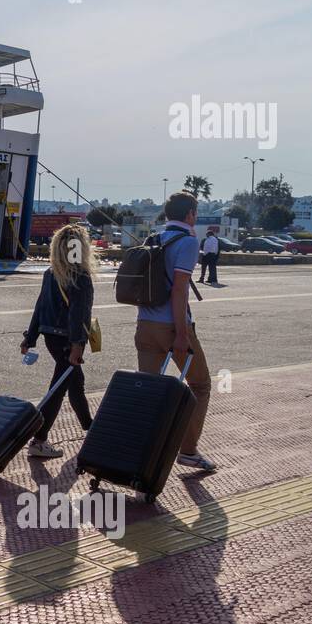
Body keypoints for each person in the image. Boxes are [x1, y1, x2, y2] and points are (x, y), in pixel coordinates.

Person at [136, 191, 216, 471]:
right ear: (191, 214)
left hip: (144, 325)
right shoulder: (188, 242)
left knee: (146, 390)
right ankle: (188, 451)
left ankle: (136, 452)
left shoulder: (154, 238)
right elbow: (179, 290)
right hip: (172, 326)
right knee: (201, 385)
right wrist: (182, 334)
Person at [20, 224, 96, 458]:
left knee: (74, 383)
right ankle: (39, 439)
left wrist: (30, 338)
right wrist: (77, 344)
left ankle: (91, 430)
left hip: (51, 337)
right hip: (67, 339)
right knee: (58, 389)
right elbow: (78, 314)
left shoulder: (50, 273)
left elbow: (40, 306)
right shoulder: (80, 277)